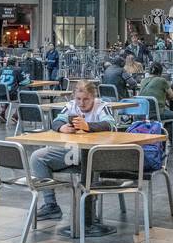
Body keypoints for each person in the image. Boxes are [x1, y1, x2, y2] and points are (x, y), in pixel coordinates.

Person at [29, 82, 115, 221]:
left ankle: (89, 213)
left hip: (96, 154)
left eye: (86, 99)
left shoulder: (102, 107)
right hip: (72, 151)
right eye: (78, 99)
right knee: (37, 158)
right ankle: (51, 205)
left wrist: (88, 126)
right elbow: (56, 121)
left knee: (89, 161)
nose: (81, 103)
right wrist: (61, 127)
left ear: (93, 97)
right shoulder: (70, 106)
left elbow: (111, 125)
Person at [139, 62, 173, 143]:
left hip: (141, 113)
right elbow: (171, 96)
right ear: (160, 71)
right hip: (156, 113)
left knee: (168, 114)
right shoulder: (162, 80)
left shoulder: (143, 81)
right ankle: (170, 141)